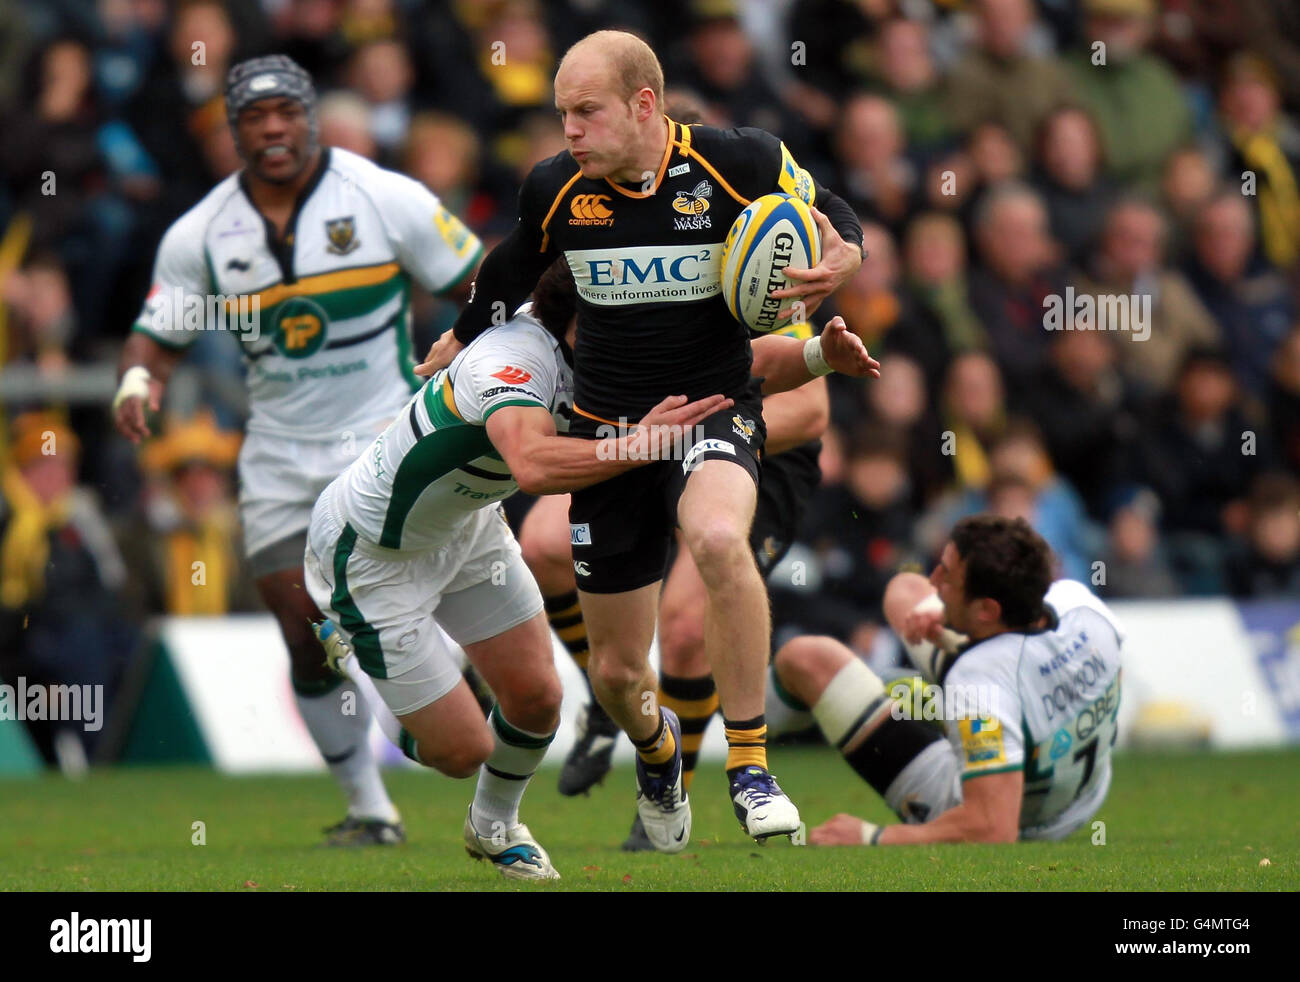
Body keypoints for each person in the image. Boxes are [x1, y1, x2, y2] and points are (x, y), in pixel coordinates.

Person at [419, 30, 865, 847]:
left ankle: (752, 768)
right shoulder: (558, 189)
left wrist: (845, 254)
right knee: (622, 676)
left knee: (722, 540)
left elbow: (827, 207)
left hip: (714, 408)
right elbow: (510, 271)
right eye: (562, 114)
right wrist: (458, 337)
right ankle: (658, 758)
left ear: (644, 105)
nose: (570, 131)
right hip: (610, 436)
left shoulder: (743, 161)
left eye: (585, 112)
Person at [306, 258, 878, 875]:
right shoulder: (514, 357)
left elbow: (743, 368)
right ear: (581, 322)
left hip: (467, 534)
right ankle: (347, 648)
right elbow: (531, 464)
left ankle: (494, 826)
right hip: (372, 552)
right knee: (462, 749)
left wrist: (819, 354)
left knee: (538, 701)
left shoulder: (611, 344)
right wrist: (643, 443)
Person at [111, 55, 483, 845]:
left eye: (286, 112)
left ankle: (444, 694)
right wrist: (137, 383)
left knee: (396, 600)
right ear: (231, 131)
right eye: (254, 117)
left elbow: (480, 283)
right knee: (302, 628)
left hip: (384, 441)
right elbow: (156, 338)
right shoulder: (201, 233)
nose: (273, 129)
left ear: (309, 117)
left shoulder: (384, 196)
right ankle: (369, 806)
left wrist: (488, 364)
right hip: (278, 457)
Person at [513, 266, 838, 851]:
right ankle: (614, 697)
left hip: (746, 451)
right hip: (639, 434)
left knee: (687, 625)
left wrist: (700, 442)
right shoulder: (592, 245)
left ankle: (670, 794)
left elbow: (810, 410)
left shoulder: (741, 261)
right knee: (540, 543)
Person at [765, 515, 1122, 845]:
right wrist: (947, 623)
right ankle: (946, 707)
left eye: (947, 576)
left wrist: (873, 836)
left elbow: (993, 828)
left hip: (1008, 817)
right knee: (906, 590)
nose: (934, 580)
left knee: (805, 659)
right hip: (1082, 798)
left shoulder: (980, 680)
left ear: (986, 610)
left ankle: (743, 723)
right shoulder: (1080, 604)